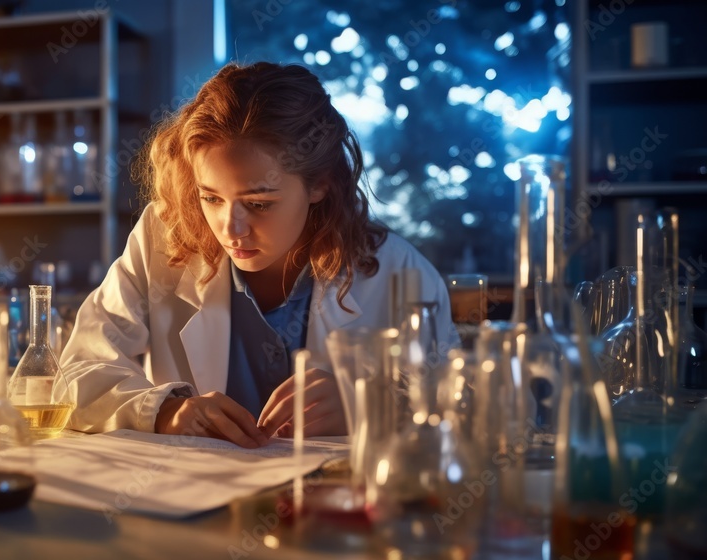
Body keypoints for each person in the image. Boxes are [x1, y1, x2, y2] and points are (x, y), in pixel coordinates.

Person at [59, 61, 458, 448]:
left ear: (319, 184)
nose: (230, 229)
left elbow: (484, 399)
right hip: (197, 504)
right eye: (211, 198)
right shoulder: (163, 237)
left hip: (333, 508)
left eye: (259, 204)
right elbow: (74, 375)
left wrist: (376, 402)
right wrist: (163, 411)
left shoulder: (394, 268)